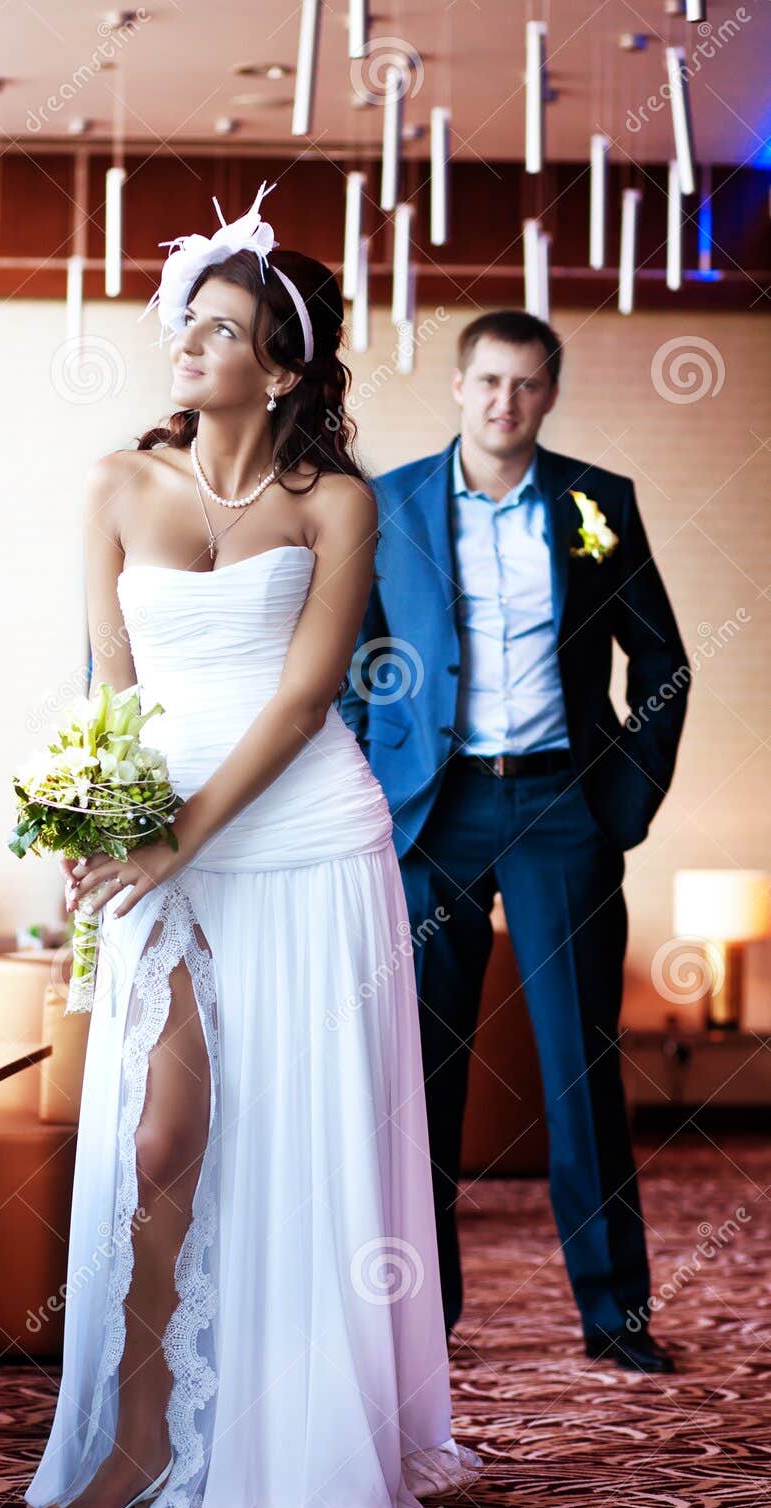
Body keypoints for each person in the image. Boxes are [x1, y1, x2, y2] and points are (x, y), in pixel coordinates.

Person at [22, 182, 480, 1508]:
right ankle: (138, 1439)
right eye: (187, 321)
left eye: (218, 329)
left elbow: (301, 700)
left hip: (300, 832)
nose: (185, 343)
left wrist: (182, 831)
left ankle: (297, 1437)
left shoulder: (332, 501)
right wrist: (94, 821)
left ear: (276, 366)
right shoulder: (115, 481)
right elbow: (109, 680)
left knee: (299, 1138)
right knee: (159, 1142)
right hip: (162, 831)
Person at [340, 309, 690, 1375]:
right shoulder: (386, 504)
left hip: (558, 811)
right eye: (488, 381)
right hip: (432, 818)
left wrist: (618, 806)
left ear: (549, 393)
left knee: (580, 1061)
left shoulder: (598, 503)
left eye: (527, 385)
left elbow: (662, 661)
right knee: (420, 1069)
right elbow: (354, 665)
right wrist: (373, 789)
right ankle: (421, 1318)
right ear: (459, 387)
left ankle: (614, 1312)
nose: (506, 402)